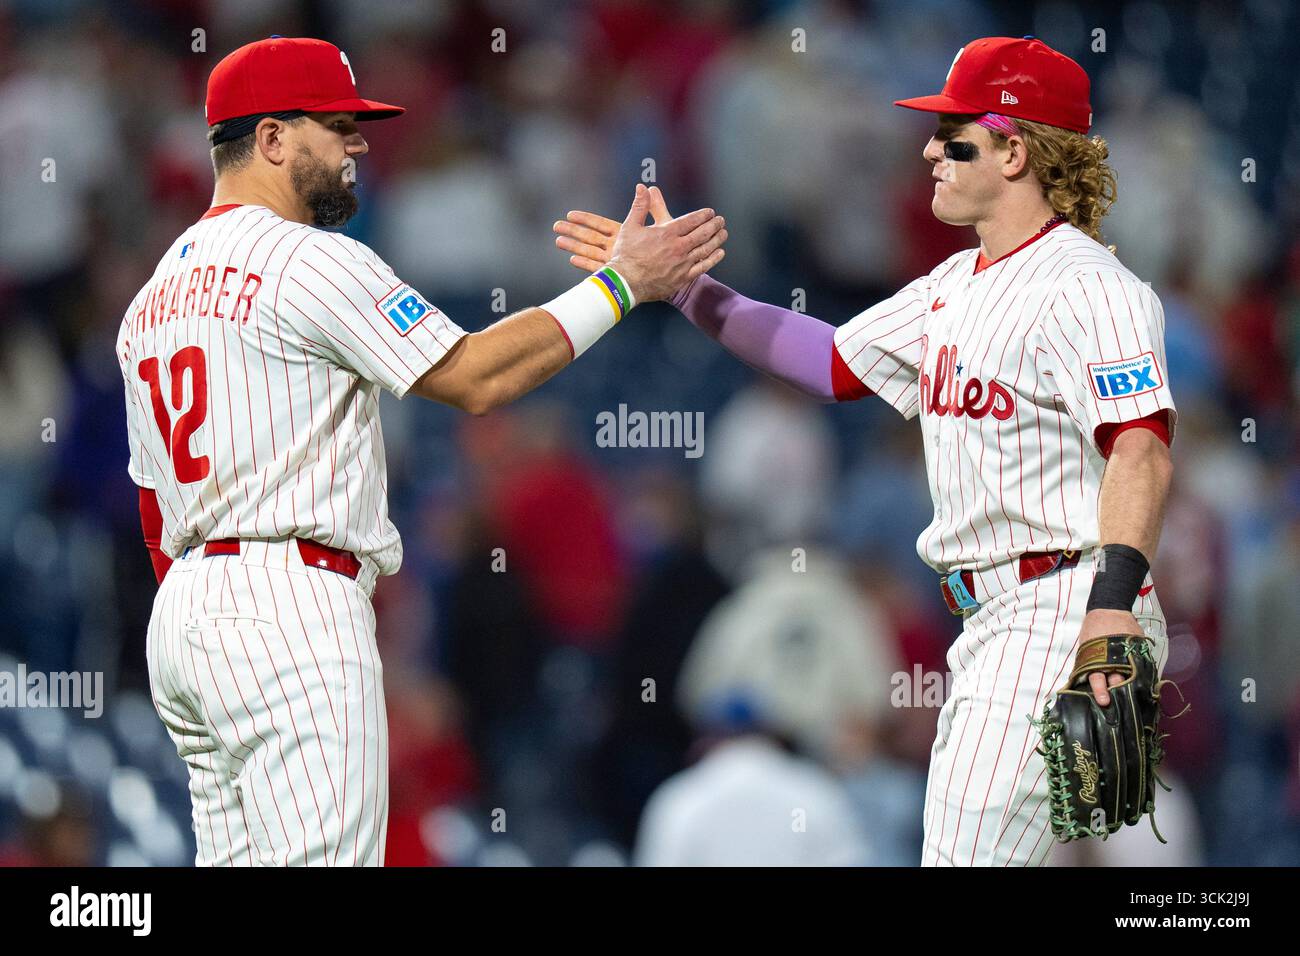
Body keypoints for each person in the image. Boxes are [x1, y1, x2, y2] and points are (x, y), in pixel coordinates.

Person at [554, 36, 1177, 866]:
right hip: (996, 617)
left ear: (1016, 148)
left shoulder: (1090, 286)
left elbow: (1141, 450)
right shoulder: (955, 286)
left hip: (1064, 602)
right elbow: (826, 360)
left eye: (954, 135)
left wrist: (1110, 606)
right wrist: (682, 289)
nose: (928, 150)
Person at [117, 36, 726, 866]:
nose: (359, 146)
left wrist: (212, 609)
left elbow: (154, 508)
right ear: (271, 140)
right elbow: (477, 376)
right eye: (337, 126)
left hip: (187, 613)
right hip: (289, 600)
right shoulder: (308, 258)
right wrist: (621, 284)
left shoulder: (151, 297)